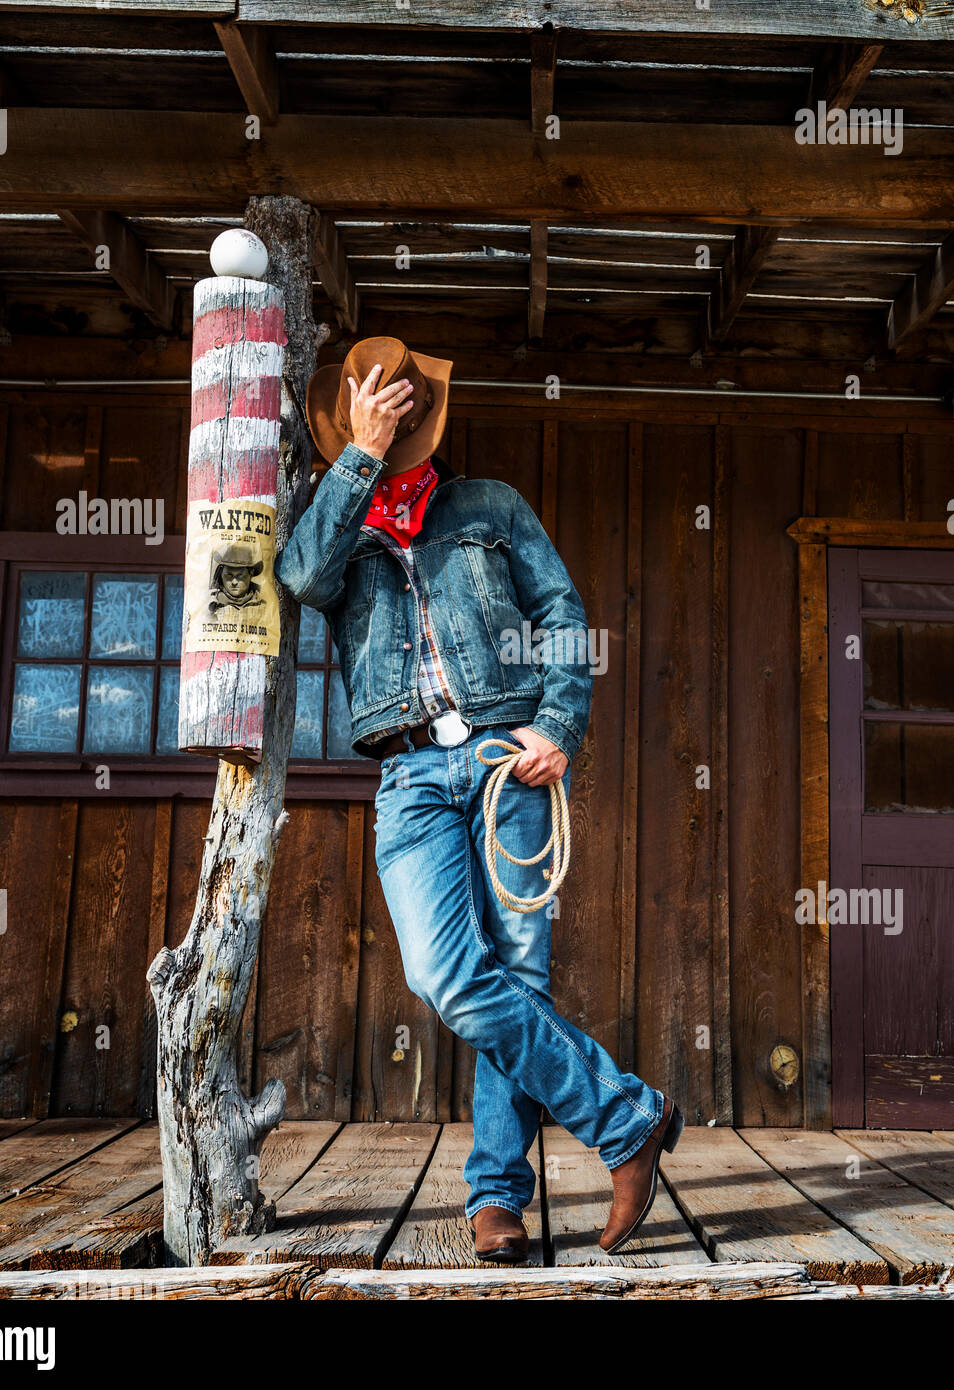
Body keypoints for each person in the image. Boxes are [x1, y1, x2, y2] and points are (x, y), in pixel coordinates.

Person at [275, 336, 682, 1262]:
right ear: (353, 422)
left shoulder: (489, 505)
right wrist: (360, 458)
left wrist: (559, 727)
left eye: (402, 410)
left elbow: (563, 614)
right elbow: (302, 579)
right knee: (449, 977)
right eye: (374, 410)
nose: (393, 419)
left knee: (520, 974)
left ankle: (496, 1198)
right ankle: (629, 1118)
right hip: (410, 774)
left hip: (509, 761)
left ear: (426, 415)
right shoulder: (335, 518)